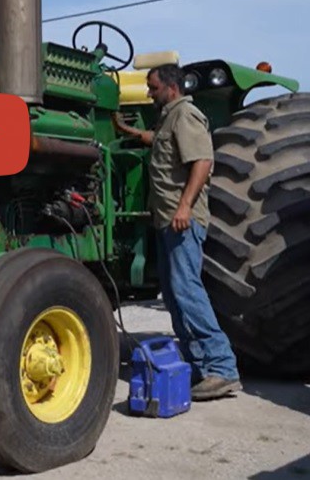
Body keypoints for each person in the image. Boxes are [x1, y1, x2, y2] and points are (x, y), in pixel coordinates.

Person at [112, 63, 241, 401]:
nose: (149, 93)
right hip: (167, 219)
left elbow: (201, 161)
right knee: (172, 295)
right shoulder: (169, 117)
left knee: (187, 290)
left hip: (182, 219)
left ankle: (222, 366)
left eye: (153, 88)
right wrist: (130, 132)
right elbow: (160, 142)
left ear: (171, 86)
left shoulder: (187, 115)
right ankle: (199, 366)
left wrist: (184, 206)